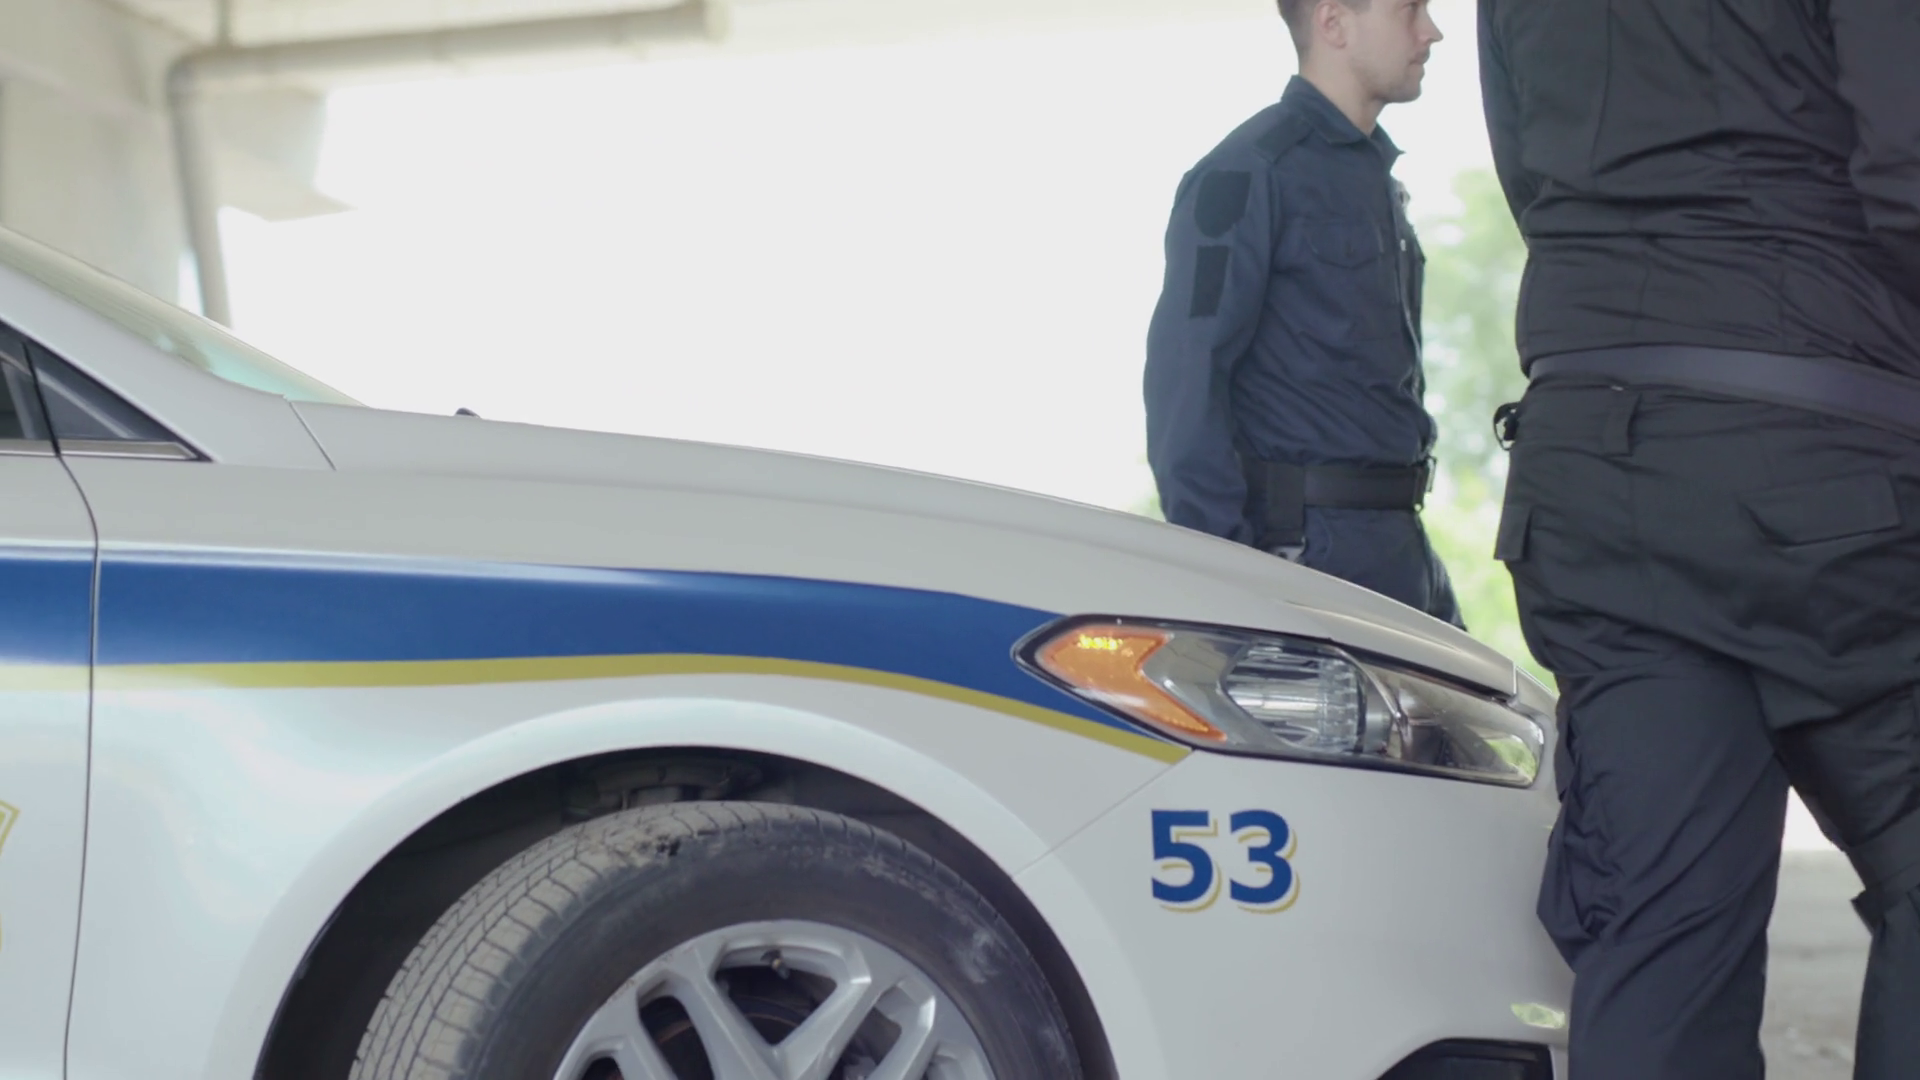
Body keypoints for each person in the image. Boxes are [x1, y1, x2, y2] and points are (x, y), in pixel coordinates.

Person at [1478, 0, 1920, 1075]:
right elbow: (1908, 176)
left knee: (1662, 924)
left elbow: (1531, 174)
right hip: (1818, 472)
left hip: (1595, 475)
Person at [1143, 0, 1460, 627]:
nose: (1432, 30)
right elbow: (1185, 381)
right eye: (1409, 10)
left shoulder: (1375, 177)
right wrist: (1234, 586)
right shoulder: (1247, 170)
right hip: (1304, 559)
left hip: (1401, 553)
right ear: (1334, 23)